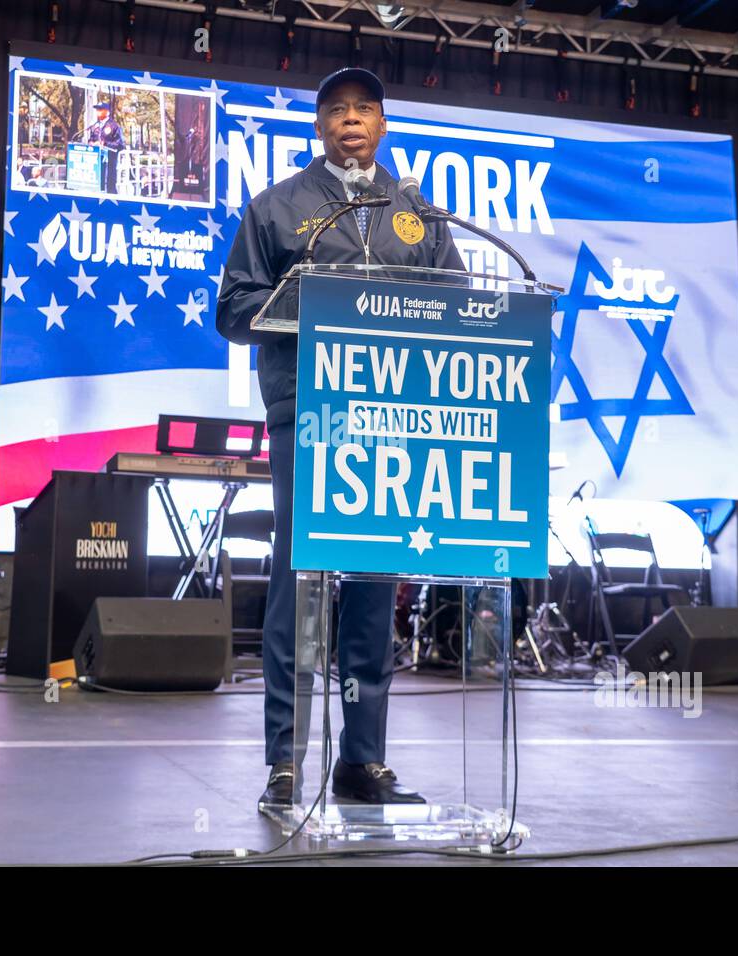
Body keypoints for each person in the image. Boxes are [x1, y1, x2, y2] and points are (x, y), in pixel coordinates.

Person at [215, 67, 464, 812]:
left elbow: (454, 298)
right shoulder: (277, 206)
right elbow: (232, 310)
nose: (351, 120)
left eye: (365, 110)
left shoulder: (416, 211)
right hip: (312, 415)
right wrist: (308, 306)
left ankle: (362, 761)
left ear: (382, 125)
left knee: (373, 588)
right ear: (319, 126)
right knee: (300, 587)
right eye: (336, 111)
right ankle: (286, 761)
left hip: (394, 417)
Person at [81, 102, 124, 193]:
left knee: (110, 187)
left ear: (107, 112)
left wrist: (104, 144)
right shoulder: (95, 126)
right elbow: (91, 139)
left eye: (100, 110)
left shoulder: (114, 126)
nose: (98, 112)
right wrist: (91, 143)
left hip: (110, 161)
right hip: (96, 162)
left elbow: (120, 144)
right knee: (97, 187)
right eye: (97, 110)